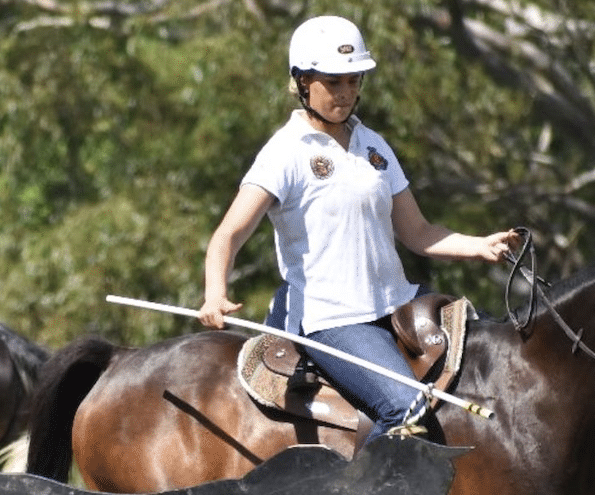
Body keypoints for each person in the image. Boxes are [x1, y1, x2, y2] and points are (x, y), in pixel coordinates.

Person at [199, 15, 520, 447]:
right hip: (331, 318)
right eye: (334, 82)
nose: (346, 92)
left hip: (395, 302)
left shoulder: (373, 145)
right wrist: (214, 292)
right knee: (406, 410)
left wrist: (479, 246)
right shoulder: (284, 153)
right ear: (303, 82)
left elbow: (418, 232)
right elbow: (229, 234)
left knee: (482, 362)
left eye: (353, 81)